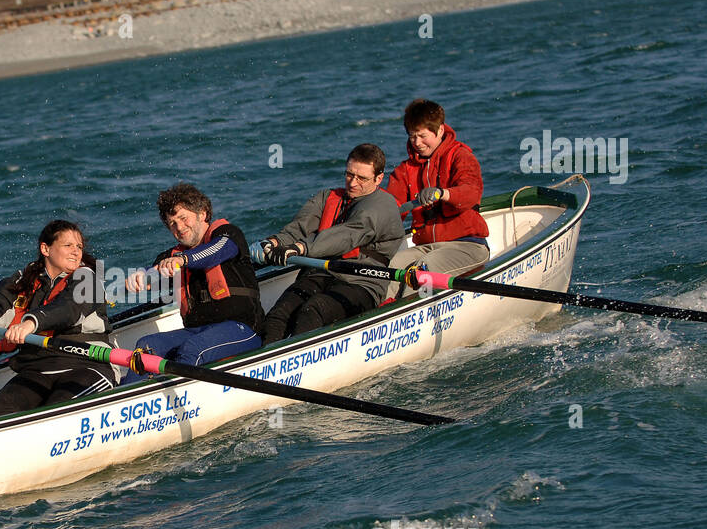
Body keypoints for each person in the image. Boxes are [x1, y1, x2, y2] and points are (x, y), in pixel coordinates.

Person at [0, 220, 115, 417]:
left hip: (86, 364)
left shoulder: (87, 278)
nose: (76, 251)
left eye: (79, 246)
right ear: (46, 249)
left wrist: (31, 323)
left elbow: (68, 309)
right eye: (68, 245)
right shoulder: (25, 279)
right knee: (1, 411)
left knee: (58, 409)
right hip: (36, 369)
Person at [256, 143, 405, 343]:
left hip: (361, 282)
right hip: (320, 273)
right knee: (278, 314)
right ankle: (265, 360)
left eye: (361, 178)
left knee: (314, 309)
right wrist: (274, 242)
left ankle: (300, 363)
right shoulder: (327, 197)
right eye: (349, 174)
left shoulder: (382, 206)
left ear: (378, 179)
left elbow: (347, 235)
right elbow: (299, 228)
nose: (353, 183)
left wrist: (300, 248)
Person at [122, 183, 263, 382]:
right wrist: (141, 276)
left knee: (192, 349)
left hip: (243, 329)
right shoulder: (172, 256)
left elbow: (214, 252)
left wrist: (183, 260)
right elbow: (154, 272)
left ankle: (167, 400)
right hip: (196, 331)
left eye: (183, 218)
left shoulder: (229, 235)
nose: (179, 227)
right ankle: (126, 400)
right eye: (172, 224)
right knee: (146, 345)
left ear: (203, 214)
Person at [383, 98, 490, 299]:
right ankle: (377, 317)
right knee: (387, 270)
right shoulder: (405, 170)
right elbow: (391, 206)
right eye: (412, 136)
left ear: (440, 130)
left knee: (422, 271)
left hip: (467, 246)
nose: (417, 143)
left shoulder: (461, 156)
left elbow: (471, 191)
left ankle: (408, 315)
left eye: (423, 136)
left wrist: (443, 193)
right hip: (425, 248)